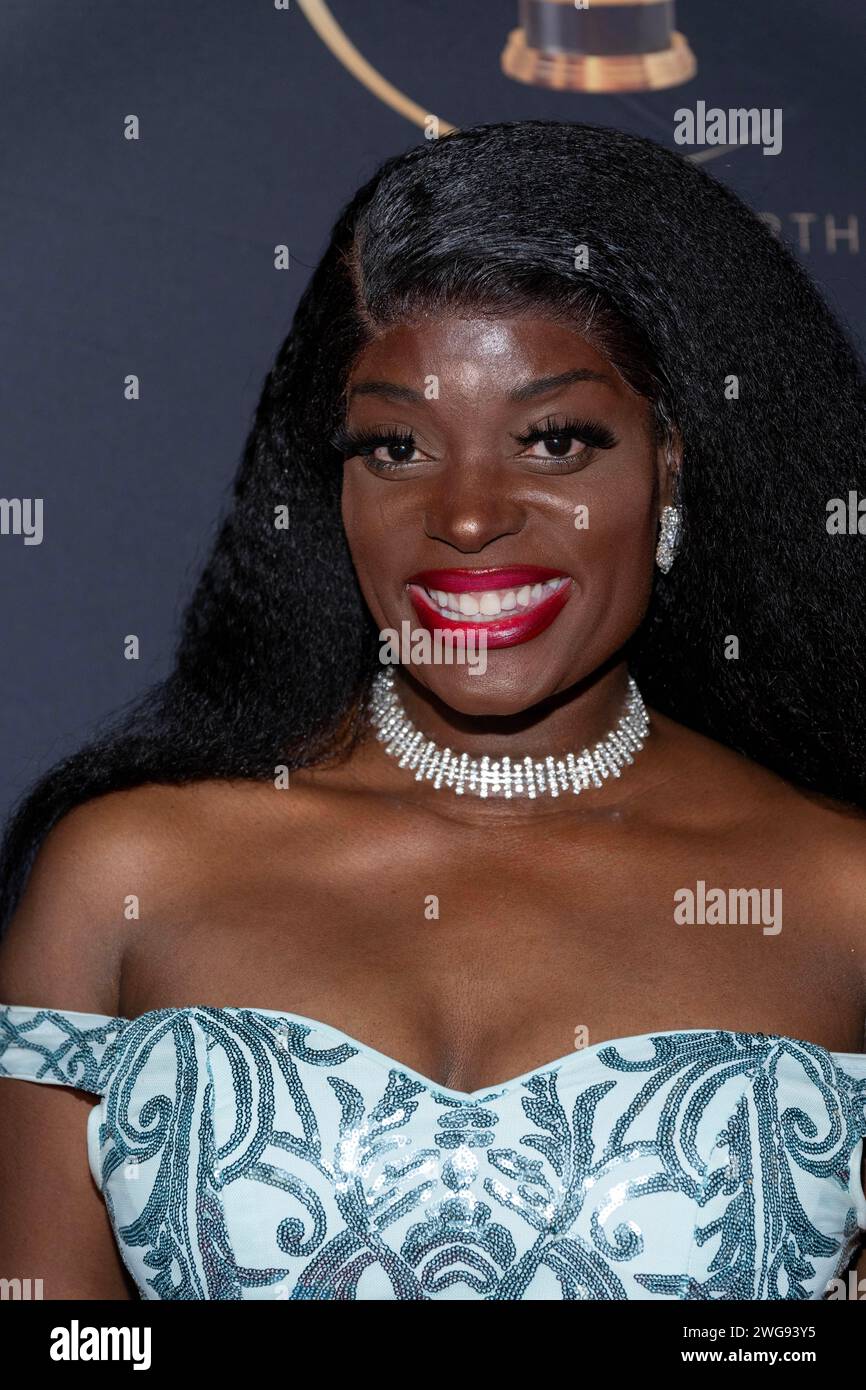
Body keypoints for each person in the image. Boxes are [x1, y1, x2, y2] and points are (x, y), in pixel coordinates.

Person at [1, 120, 865, 1301]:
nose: (465, 516)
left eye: (555, 439)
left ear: (670, 462)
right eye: (396, 445)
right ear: (331, 484)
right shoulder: (124, 873)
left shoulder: (835, 895)